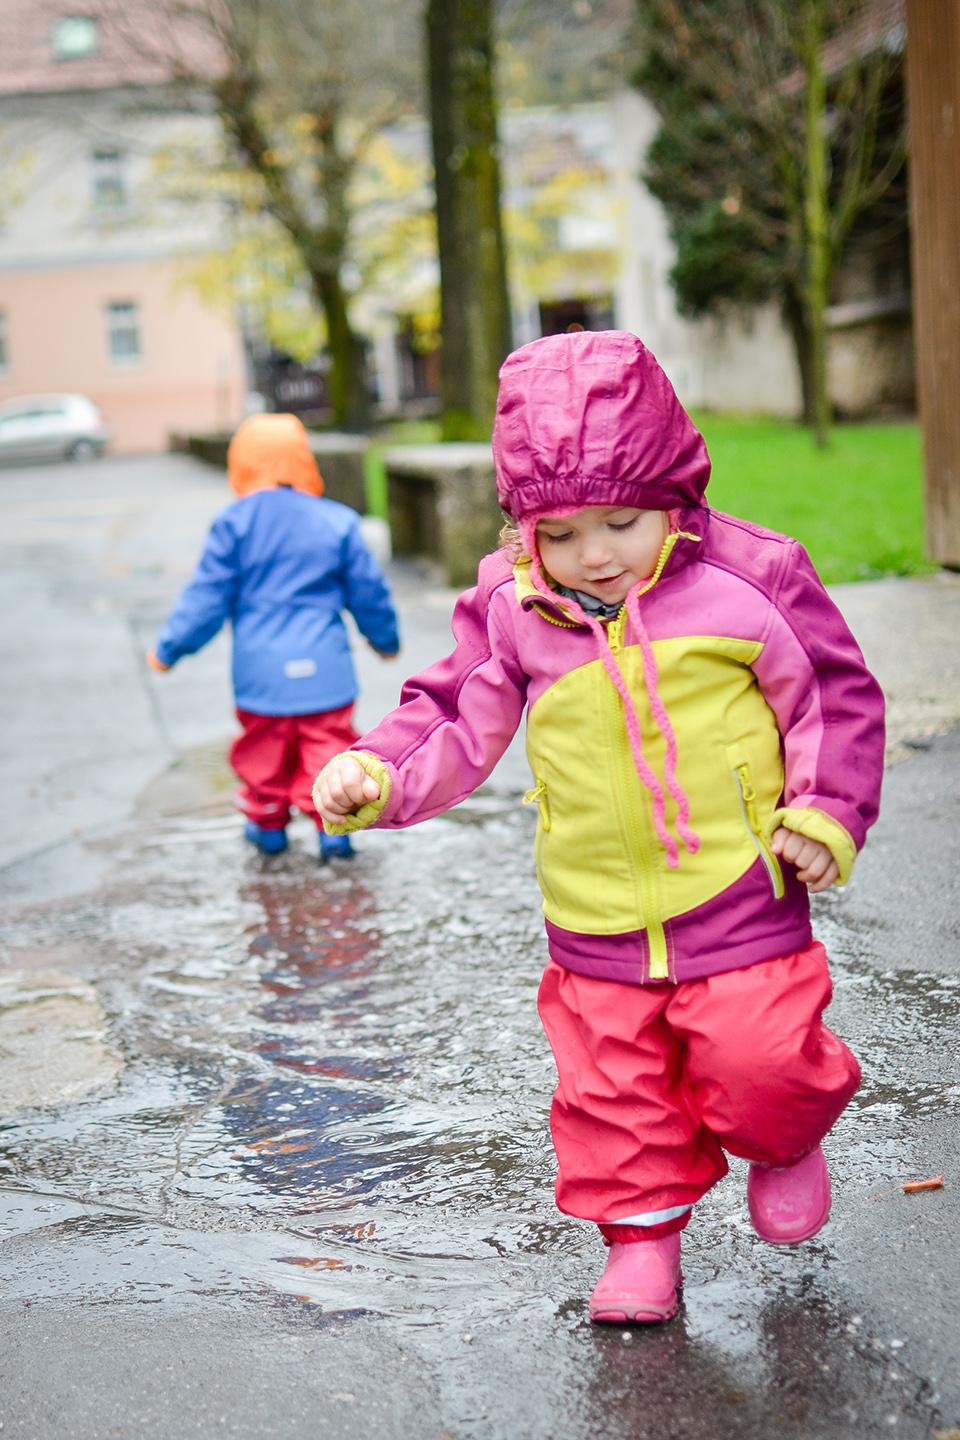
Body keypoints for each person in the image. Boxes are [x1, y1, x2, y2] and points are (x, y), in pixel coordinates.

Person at [313, 331, 884, 1323]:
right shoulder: (516, 606)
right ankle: (642, 1244)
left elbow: (831, 697)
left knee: (763, 1061)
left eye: (623, 521)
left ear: (675, 497)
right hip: (596, 915)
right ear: (522, 526)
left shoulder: (750, 580)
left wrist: (824, 810)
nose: (595, 557)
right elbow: (452, 714)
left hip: (740, 889)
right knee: (614, 1098)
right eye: (562, 532)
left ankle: (785, 1136)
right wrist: (376, 770)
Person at [148, 413, 399, 862]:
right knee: (328, 746)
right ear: (304, 461)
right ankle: (334, 831)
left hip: (260, 675)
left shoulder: (233, 524)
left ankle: (268, 831)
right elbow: (369, 593)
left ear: (240, 464)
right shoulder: (338, 521)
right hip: (325, 670)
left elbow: (206, 598)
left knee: (262, 752)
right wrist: (385, 640)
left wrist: (168, 649)